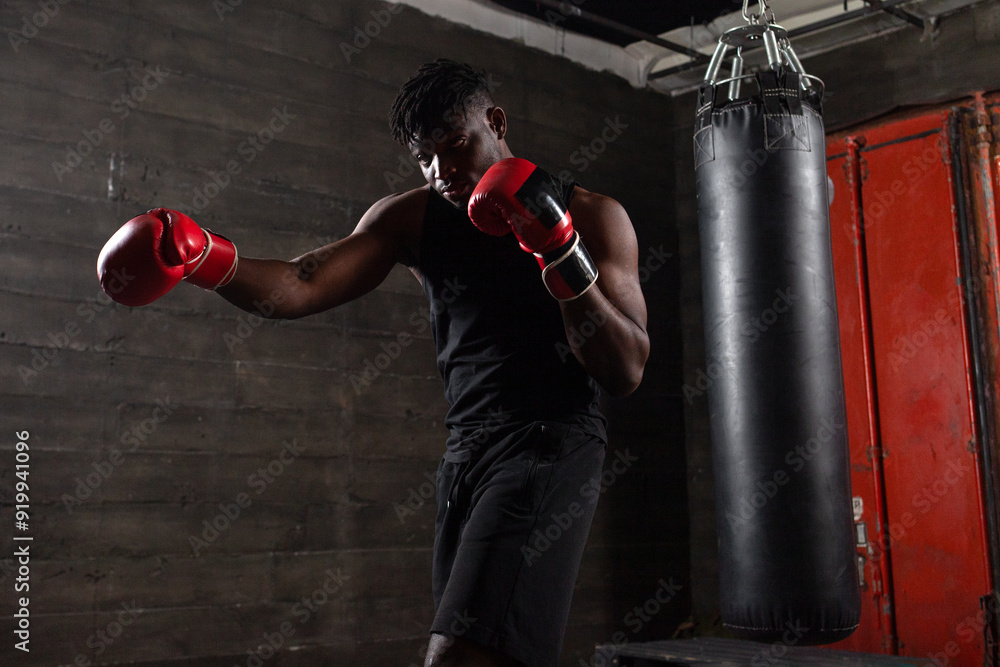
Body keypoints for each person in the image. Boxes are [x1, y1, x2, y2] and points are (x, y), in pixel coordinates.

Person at [97, 59, 649, 667]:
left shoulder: (595, 215)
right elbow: (303, 283)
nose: (442, 170)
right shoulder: (412, 218)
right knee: (493, 652)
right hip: (467, 454)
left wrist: (559, 249)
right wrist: (204, 257)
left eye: (457, 144)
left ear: (495, 122)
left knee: (459, 655)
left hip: (550, 445)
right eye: (425, 157)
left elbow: (625, 370)